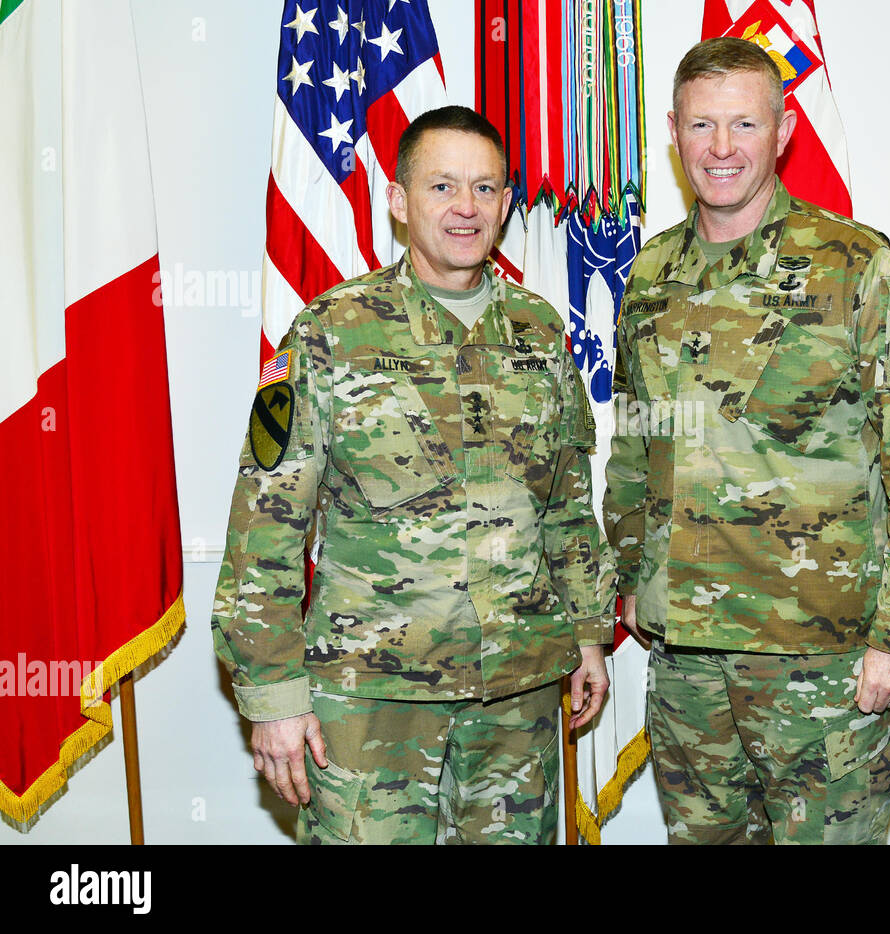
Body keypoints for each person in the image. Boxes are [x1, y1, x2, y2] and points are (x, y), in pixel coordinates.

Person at [603, 38, 890, 845]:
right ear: (672, 131)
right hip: (687, 662)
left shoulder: (855, 266)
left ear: (783, 133)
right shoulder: (651, 275)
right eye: (702, 125)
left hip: (821, 658)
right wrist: (632, 574)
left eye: (745, 124)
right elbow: (635, 443)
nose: (722, 148)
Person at [212, 106, 614, 845]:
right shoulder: (330, 333)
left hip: (517, 695)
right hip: (370, 701)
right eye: (442, 186)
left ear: (505, 203)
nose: (466, 207)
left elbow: (565, 506)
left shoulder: (540, 332)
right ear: (398, 201)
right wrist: (271, 694)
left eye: (485, 188)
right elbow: (265, 527)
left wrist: (588, 632)